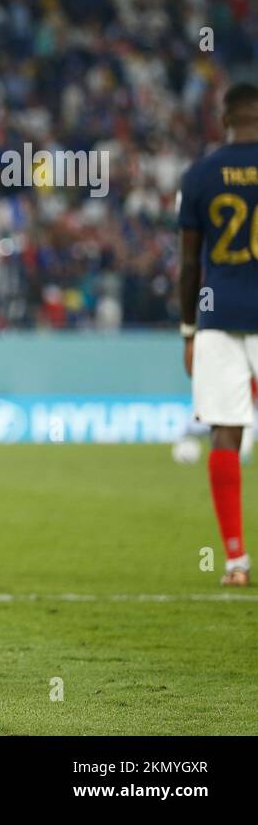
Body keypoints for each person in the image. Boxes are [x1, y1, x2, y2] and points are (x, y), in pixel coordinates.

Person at [178, 82, 258, 587]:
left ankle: (234, 560)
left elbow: (189, 263)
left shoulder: (202, 173)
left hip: (219, 313)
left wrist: (187, 328)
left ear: (224, 118)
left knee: (225, 433)